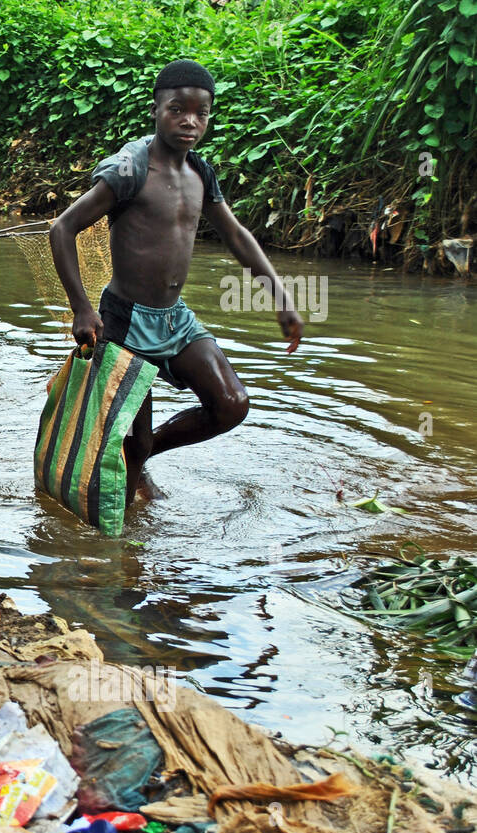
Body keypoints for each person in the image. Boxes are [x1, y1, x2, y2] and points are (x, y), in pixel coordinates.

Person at [49, 59, 304, 505]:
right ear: (156, 109)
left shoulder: (200, 174)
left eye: (200, 113)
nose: (189, 121)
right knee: (131, 444)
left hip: (174, 320)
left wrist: (280, 298)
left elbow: (236, 235)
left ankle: (143, 454)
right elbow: (62, 228)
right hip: (124, 323)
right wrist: (82, 308)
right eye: (177, 109)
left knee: (230, 405)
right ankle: (119, 556)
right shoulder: (129, 171)